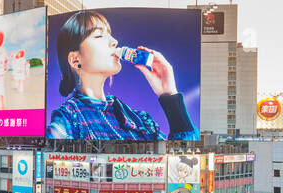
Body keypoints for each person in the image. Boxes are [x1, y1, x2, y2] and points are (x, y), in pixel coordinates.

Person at [45, 10, 199, 141]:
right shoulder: (67, 120)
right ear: (75, 59)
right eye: (99, 36)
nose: (114, 41)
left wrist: (170, 95)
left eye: (110, 35)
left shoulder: (139, 120)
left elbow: (181, 163)